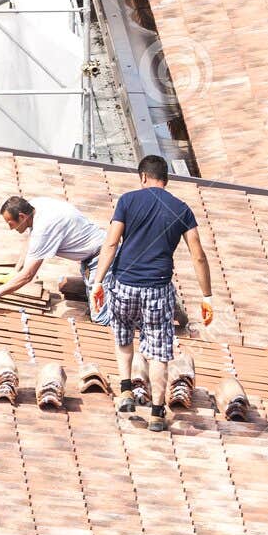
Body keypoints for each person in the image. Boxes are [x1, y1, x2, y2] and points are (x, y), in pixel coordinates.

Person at [89, 155, 214, 432]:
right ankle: (157, 413)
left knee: (123, 339)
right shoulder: (182, 210)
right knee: (158, 352)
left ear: (143, 176)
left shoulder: (128, 201)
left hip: (124, 284)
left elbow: (110, 244)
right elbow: (199, 256)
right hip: (157, 289)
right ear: (166, 179)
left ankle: (125, 391)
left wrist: (97, 282)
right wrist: (207, 296)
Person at [0, 195, 114, 323]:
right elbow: (31, 240)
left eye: (11, 223)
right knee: (72, 287)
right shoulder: (33, 206)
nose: (10, 228)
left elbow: (28, 276)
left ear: (22, 216)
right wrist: (15, 271)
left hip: (102, 257)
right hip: (90, 258)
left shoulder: (45, 228)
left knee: (99, 318)